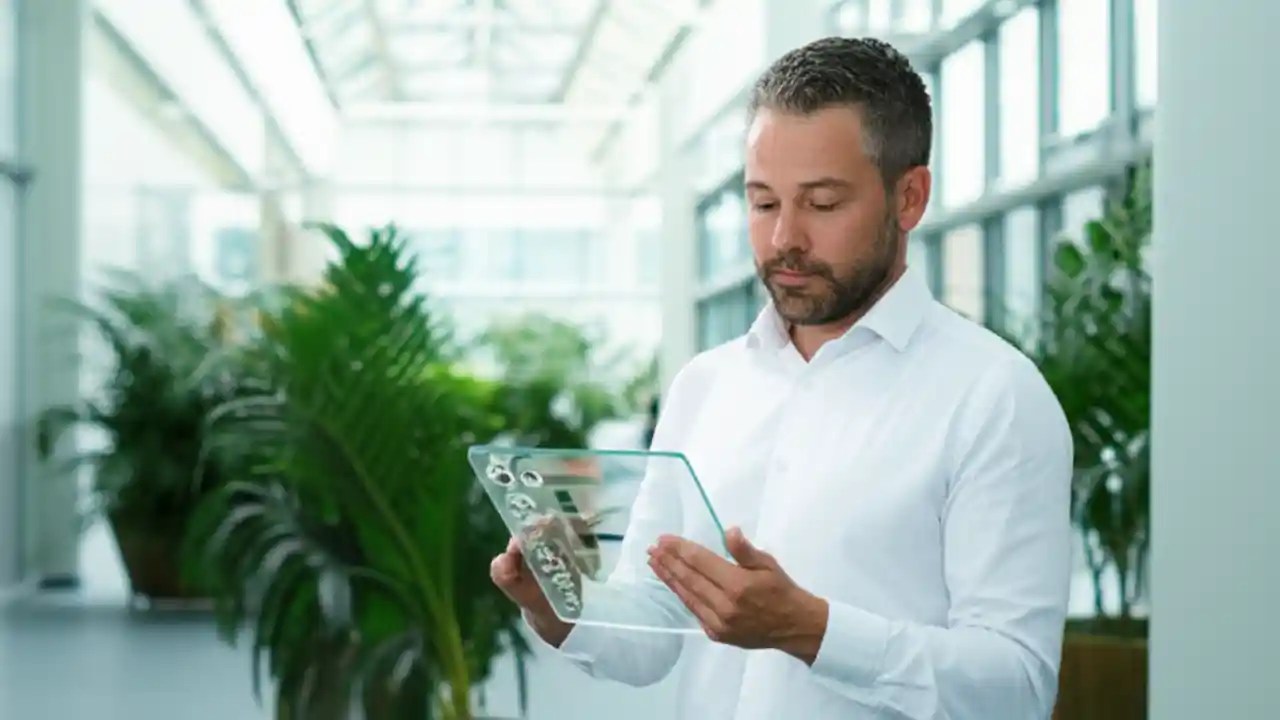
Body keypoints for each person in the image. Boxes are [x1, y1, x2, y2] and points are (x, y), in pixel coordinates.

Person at [491, 36, 1073, 720]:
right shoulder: (705, 387)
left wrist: (812, 630)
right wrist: (558, 606)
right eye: (763, 203)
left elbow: (1017, 687)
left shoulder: (994, 395)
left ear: (909, 197)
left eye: (822, 204)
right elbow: (653, 627)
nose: (783, 239)